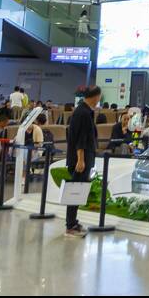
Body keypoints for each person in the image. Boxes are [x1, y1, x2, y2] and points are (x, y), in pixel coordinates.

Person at [64, 86, 100, 238]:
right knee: (75, 191)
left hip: (83, 158)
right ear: (95, 96)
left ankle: (73, 222)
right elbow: (81, 138)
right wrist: (81, 160)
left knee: (78, 191)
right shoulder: (83, 113)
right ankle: (70, 225)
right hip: (80, 159)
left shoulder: (83, 111)